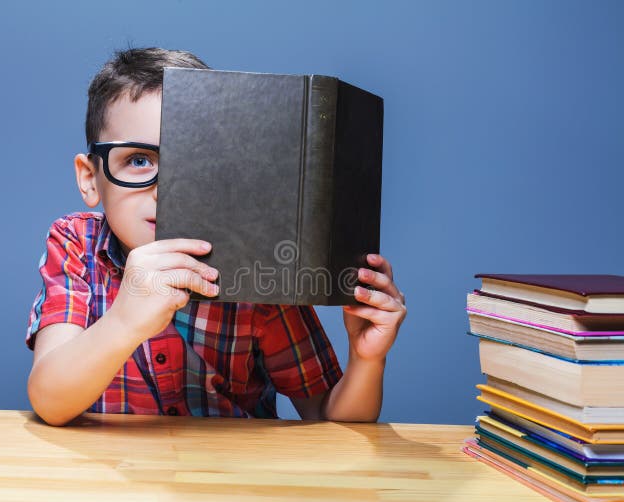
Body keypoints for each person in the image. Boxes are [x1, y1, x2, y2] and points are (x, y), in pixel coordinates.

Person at [25, 47, 406, 426]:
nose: (167, 189)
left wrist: (367, 359)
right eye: (139, 160)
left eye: (189, 161)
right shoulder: (76, 243)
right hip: (110, 478)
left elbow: (328, 419)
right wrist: (124, 321)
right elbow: (50, 401)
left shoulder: (263, 258)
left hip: (229, 481)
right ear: (90, 178)